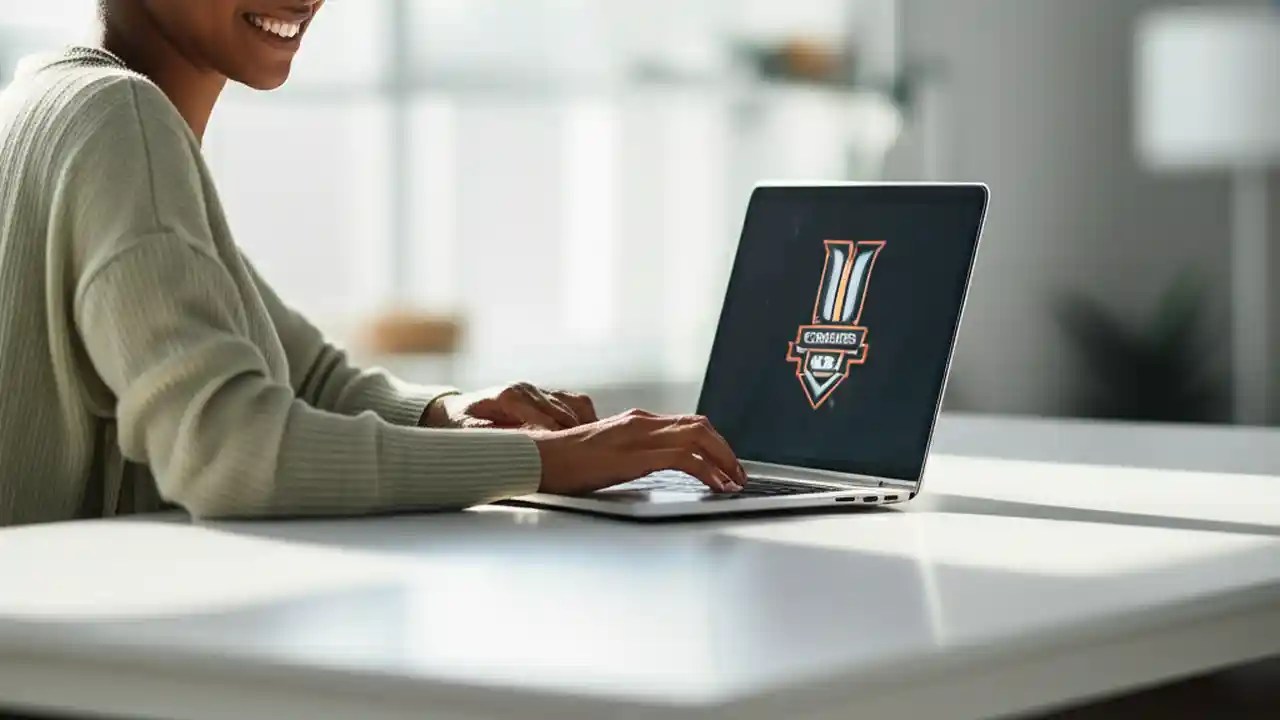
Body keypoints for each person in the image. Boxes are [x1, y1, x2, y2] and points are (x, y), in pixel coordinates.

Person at [0, 0, 746, 527]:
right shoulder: (118, 119)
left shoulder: (45, 103)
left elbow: (306, 375)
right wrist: (545, 463)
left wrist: (450, 413)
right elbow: (230, 450)